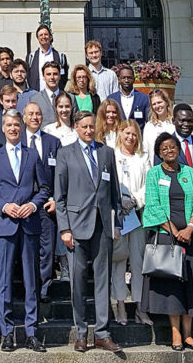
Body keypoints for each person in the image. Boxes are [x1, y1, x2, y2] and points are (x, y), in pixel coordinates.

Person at [55, 110, 124, 353]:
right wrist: (64, 228)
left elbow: (114, 192)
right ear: (75, 127)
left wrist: (116, 223)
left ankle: (103, 333)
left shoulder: (107, 153)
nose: (88, 130)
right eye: (84, 126)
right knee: (78, 283)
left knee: (103, 282)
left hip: (103, 226)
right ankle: (82, 333)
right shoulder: (65, 154)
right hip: (76, 227)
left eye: (91, 126)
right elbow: (60, 196)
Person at [141, 132, 193, 352]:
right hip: (167, 238)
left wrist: (190, 228)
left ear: (178, 149)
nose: (169, 151)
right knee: (173, 286)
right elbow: (153, 205)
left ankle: (189, 334)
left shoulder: (190, 173)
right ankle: (175, 333)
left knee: (192, 286)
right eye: (164, 148)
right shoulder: (154, 174)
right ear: (158, 153)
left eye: (172, 146)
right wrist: (175, 231)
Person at [0, 109, 49, 353]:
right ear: (3, 128)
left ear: (21, 128)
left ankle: (31, 332)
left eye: (16, 125)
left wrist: (32, 205)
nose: (12, 129)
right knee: (5, 282)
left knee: (31, 281)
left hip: (29, 224)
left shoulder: (33, 155)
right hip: (5, 225)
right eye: (9, 125)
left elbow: (44, 188)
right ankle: (7, 332)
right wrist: (4, 205)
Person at [22, 101, 62, 303]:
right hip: (24, 205)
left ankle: (44, 288)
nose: (35, 117)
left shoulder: (53, 142)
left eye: (38, 114)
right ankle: (29, 288)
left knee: (47, 249)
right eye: (30, 114)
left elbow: (60, 174)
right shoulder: (15, 140)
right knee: (27, 249)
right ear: (24, 117)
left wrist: (56, 198)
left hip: (47, 203)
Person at [112, 120, 151, 326]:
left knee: (138, 261)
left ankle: (139, 306)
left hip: (137, 216)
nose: (130, 137)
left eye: (134, 134)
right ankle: (120, 305)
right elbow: (107, 182)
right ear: (120, 134)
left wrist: (135, 200)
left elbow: (148, 184)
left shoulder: (142, 158)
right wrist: (120, 201)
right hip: (118, 216)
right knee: (118, 260)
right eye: (127, 133)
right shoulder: (112, 155)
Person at [27, 24, 70, 91]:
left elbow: (64, 77)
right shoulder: (31, 57)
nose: (43, 37)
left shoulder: (60, 56)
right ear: (38, 39)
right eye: (41, 35)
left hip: (55, 96)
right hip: (37, 95)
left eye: (46, 34)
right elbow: (28, 77)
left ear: (50, 37)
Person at [108, 64, 149, 131]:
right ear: (119, 80)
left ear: (134, 79)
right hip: (117, 138)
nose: (126, 80)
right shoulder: (111, 99)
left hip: (138, 138)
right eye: (123, 78)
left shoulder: (144, 98)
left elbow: (149, 121)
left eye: (129, 78)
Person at [142, 88, 174, 162]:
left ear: (166, 102)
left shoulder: (174, 123)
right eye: (154, 104)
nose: (157, 106)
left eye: (159, 102)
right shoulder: (149, 126)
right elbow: (145, 151)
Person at [28, 60, 64, 124]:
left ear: (59, 76)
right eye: (48, 74)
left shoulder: (70, 98)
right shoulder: (35, 99)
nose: (52, 77)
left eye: (55, 74)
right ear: (43, 77)